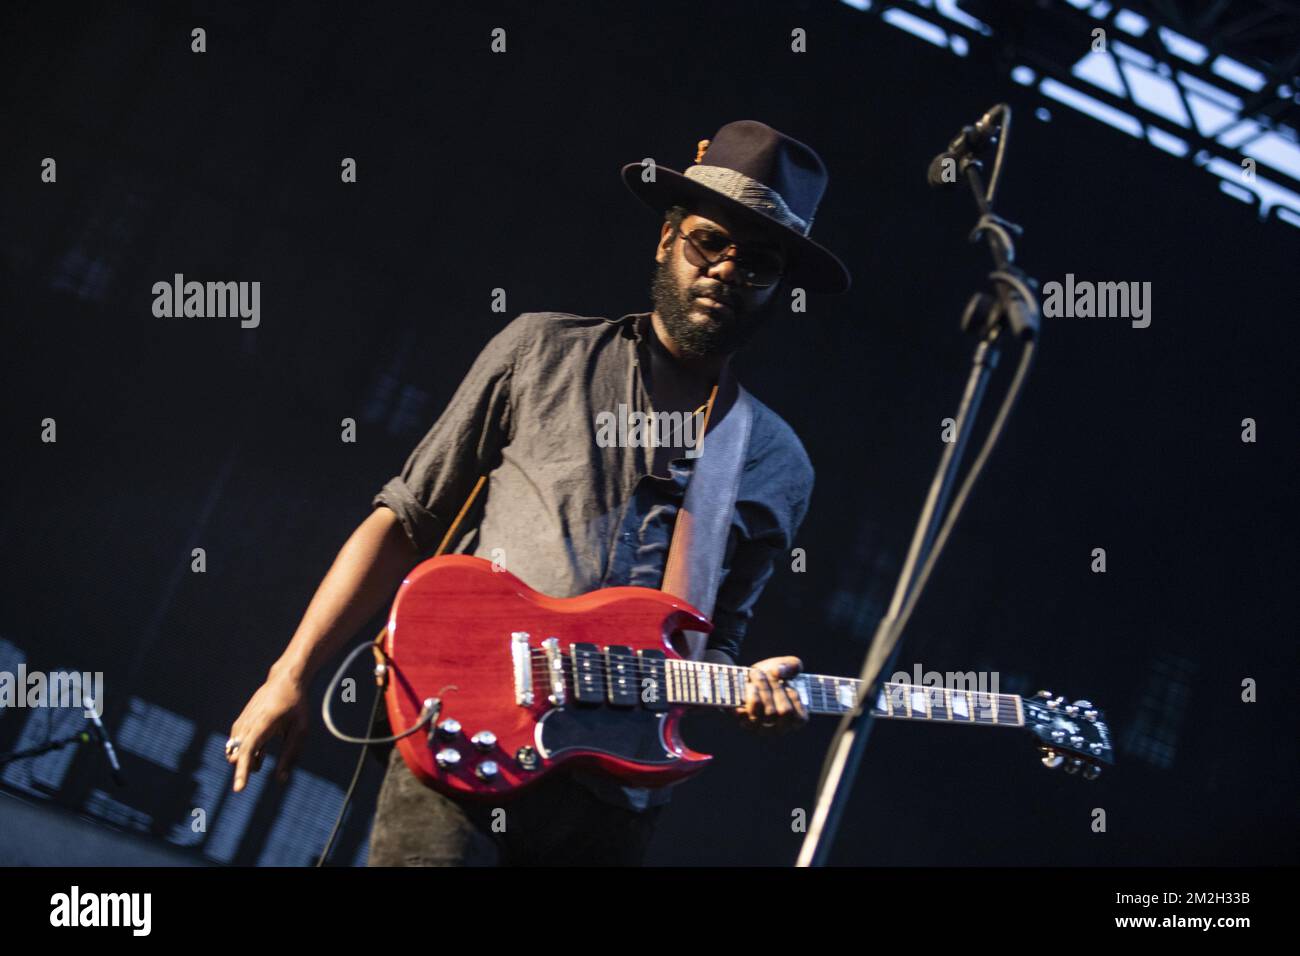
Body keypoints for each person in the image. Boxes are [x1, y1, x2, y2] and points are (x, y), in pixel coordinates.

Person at [225, 120, 853, 865]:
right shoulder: (540, 351)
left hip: (615, 799)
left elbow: (712, 644)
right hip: (464, 741)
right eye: (709, 243)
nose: (725, 270)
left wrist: (751, 692)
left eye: (756, 263)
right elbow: (405, 518)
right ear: (666, 239)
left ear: (777, 288)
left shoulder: (777, 461)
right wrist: (288, 674)